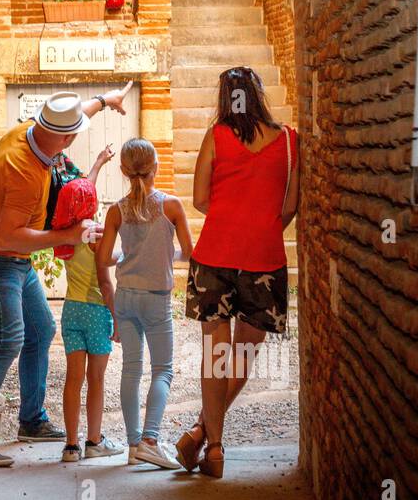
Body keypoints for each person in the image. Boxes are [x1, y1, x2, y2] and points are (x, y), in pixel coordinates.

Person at [0, 84, 132, 467]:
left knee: (40, 331)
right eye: (72, 135)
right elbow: (8, 235)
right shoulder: (23, 170)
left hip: (15, 260)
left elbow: (69, 114)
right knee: (8, 339)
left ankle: (31, 420)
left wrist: (104, 101)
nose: (72, 140)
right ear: (64, 138)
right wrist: (68, 235)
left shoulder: (33, 130)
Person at [176, 66, 299, 478]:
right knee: (243, 357)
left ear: (224, 98)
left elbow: (198, 198)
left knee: (215, 356)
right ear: (259, 95)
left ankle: (211, 444)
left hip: (214, 257)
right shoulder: (288, 142)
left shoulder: (216, 136)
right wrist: (259, 226)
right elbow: (289, 206)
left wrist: (231, 217)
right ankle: (202, 437)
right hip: (265, 260)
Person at [95, 138, 194, 469]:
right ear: (157, 167)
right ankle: (151, 440)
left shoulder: (115, 211)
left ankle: (134, 444)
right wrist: (167, 256)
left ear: (123, 171)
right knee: (162, 370)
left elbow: (104, 258)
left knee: (131, 370)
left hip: (125, 297)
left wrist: (124, 261)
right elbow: (189, 254)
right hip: (156, 300)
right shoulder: (172, 206)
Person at [55, 146, 126, 463]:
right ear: (93, 203)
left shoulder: (65, 234)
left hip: (71, 310)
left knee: (74, 380)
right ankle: (94, 441)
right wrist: (117, 316)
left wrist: (97, 162)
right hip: (97, 312)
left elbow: (82, 191)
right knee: (96, 380)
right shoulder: (98, 234)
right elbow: (107, 275)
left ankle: (71, 446)